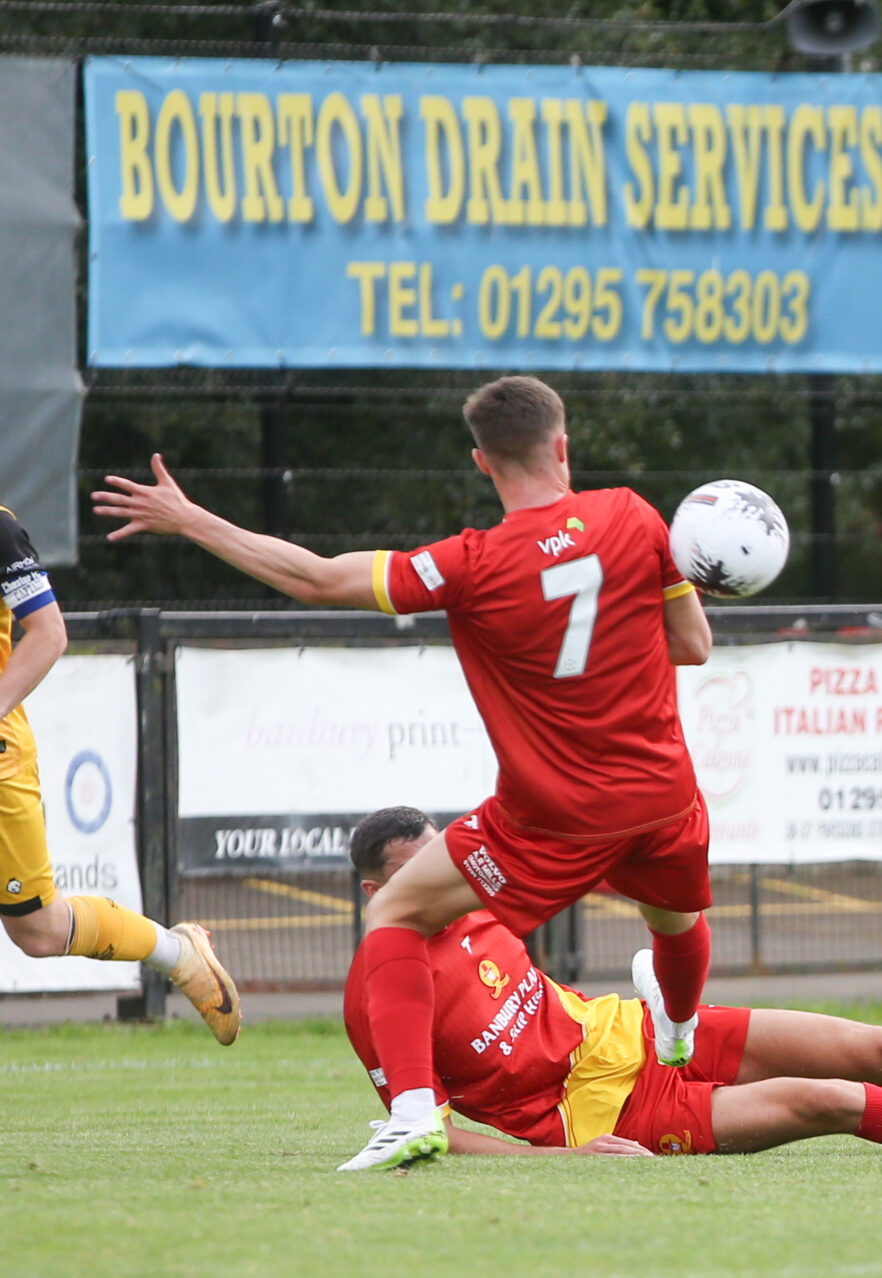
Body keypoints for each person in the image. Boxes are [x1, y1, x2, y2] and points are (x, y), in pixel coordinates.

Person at [93, 376, 724, 1171]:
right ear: (563, 445)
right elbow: (694, 644)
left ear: (482, 463)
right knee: (675, 926)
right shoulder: (636, 515)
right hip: (660, 794)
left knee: (392, 911)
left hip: (554, 813)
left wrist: (188, 518)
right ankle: (678, 1029)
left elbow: (315, 578)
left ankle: (417, 1113)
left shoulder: (470, 563)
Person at [339, 807, 882, 1159]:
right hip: (611, 1114)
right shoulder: (377, 994)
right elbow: (428, 1132)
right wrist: (563, 1163)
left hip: (642, 1031)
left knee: (876, 1048)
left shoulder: (480, 899)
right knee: (827, 1100)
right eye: (414, 877)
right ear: (378, 896)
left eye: (440, 860)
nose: (439, 882)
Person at [0, 506, 239, 1037]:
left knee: (39, 931)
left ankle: (177, 953)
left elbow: (48, 633)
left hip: (1, 758)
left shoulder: (1, 529)